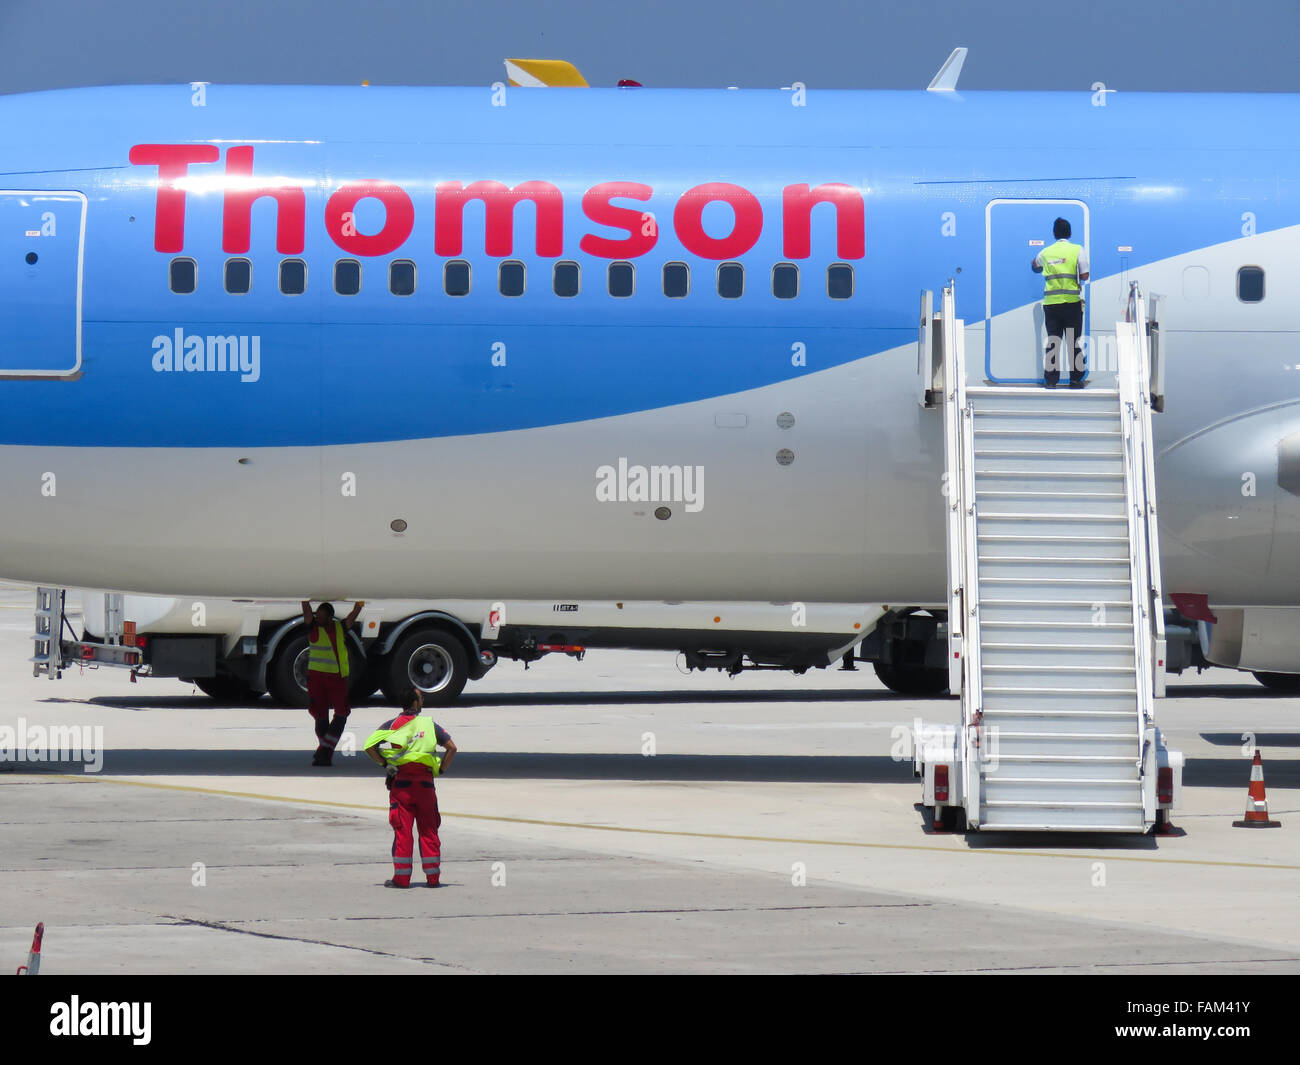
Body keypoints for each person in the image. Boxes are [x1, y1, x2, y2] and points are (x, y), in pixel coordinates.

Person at [364, 688, 457, 888]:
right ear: (415, 703)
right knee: (429, 830)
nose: (422, 700)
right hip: (425, 786)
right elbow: (452, 748)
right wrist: (440, 770)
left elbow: (369, 747)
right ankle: (433, 879)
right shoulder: (429, 725)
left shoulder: (392, 725)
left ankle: (402, 879)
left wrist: (385, 764)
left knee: (403, 832)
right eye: (421, 698)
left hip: (402, 786)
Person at [301, 599, 364, 766]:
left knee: (342, 713)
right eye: (317, 616)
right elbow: (307, 614)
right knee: (320, 714)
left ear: (330, 618)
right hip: (316, 678)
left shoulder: (338, 627)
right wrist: (304, 600)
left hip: (336, 677)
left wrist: (359, 605)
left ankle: (323, 750)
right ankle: (325, 753)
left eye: (321, 616)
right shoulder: (313, 627)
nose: (318, 619)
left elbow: (351, 618)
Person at [1031, 218, 1089, 387]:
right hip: (1072, 303)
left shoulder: (1045, 252)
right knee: (1074, 342)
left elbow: (1035, 265)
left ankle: (1050, 381)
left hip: (1051, 304)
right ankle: (1076, 379)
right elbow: (1085, 275)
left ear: (1054, 234)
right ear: (1069, 233)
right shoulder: (1077, 250)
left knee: (1053, 341)